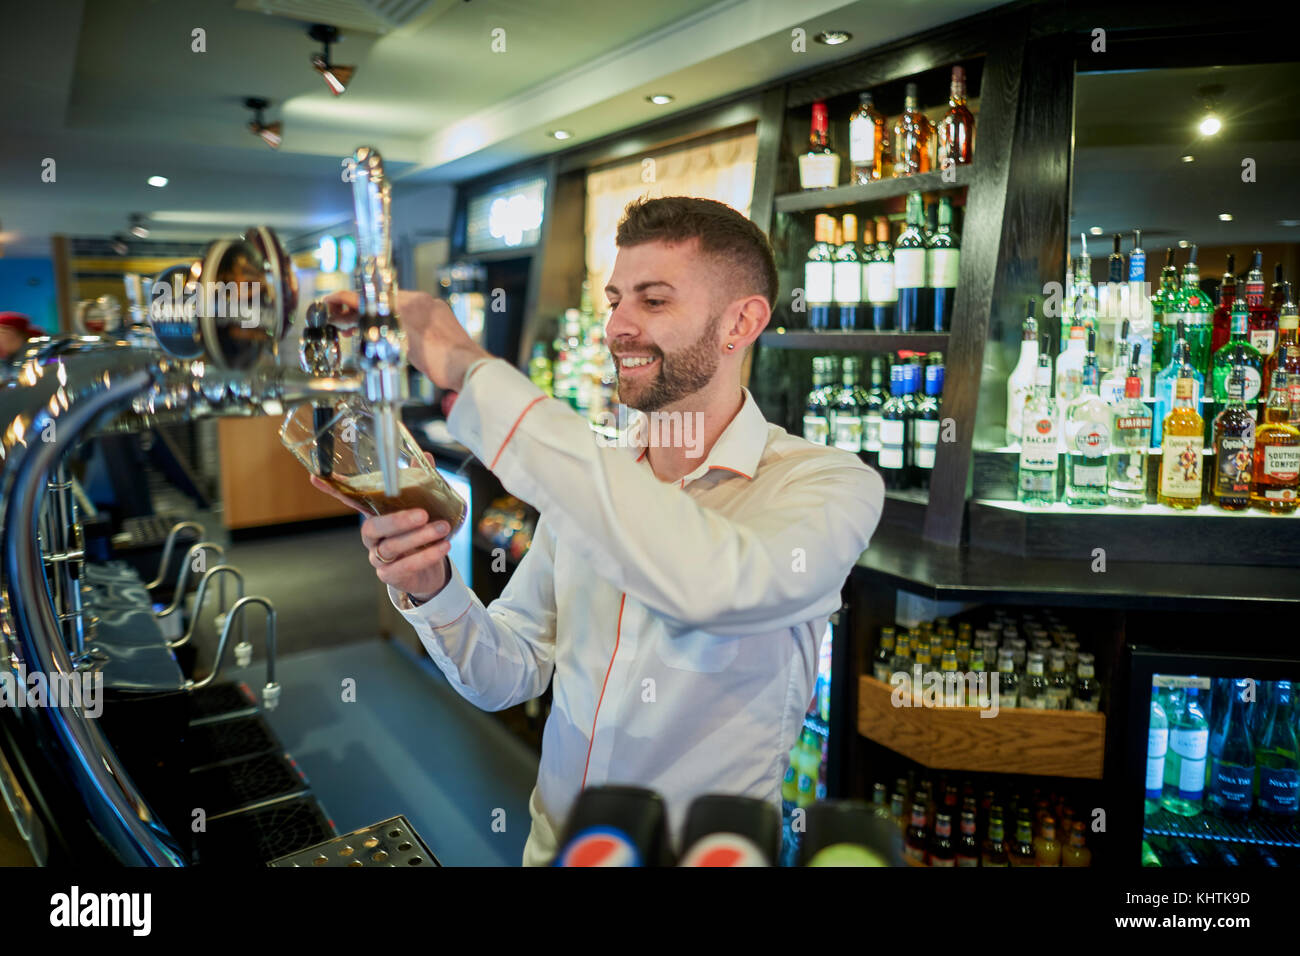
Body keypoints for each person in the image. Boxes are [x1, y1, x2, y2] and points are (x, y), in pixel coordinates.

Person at [313, 196, 885, 865]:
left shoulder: (826, 485)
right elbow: (511, 672)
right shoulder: (596, 480)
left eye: (653, 300)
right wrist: (433, 587)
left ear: (742, 321)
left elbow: (712, 585)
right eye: (616, 300)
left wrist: (470, 368)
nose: (618, 327)